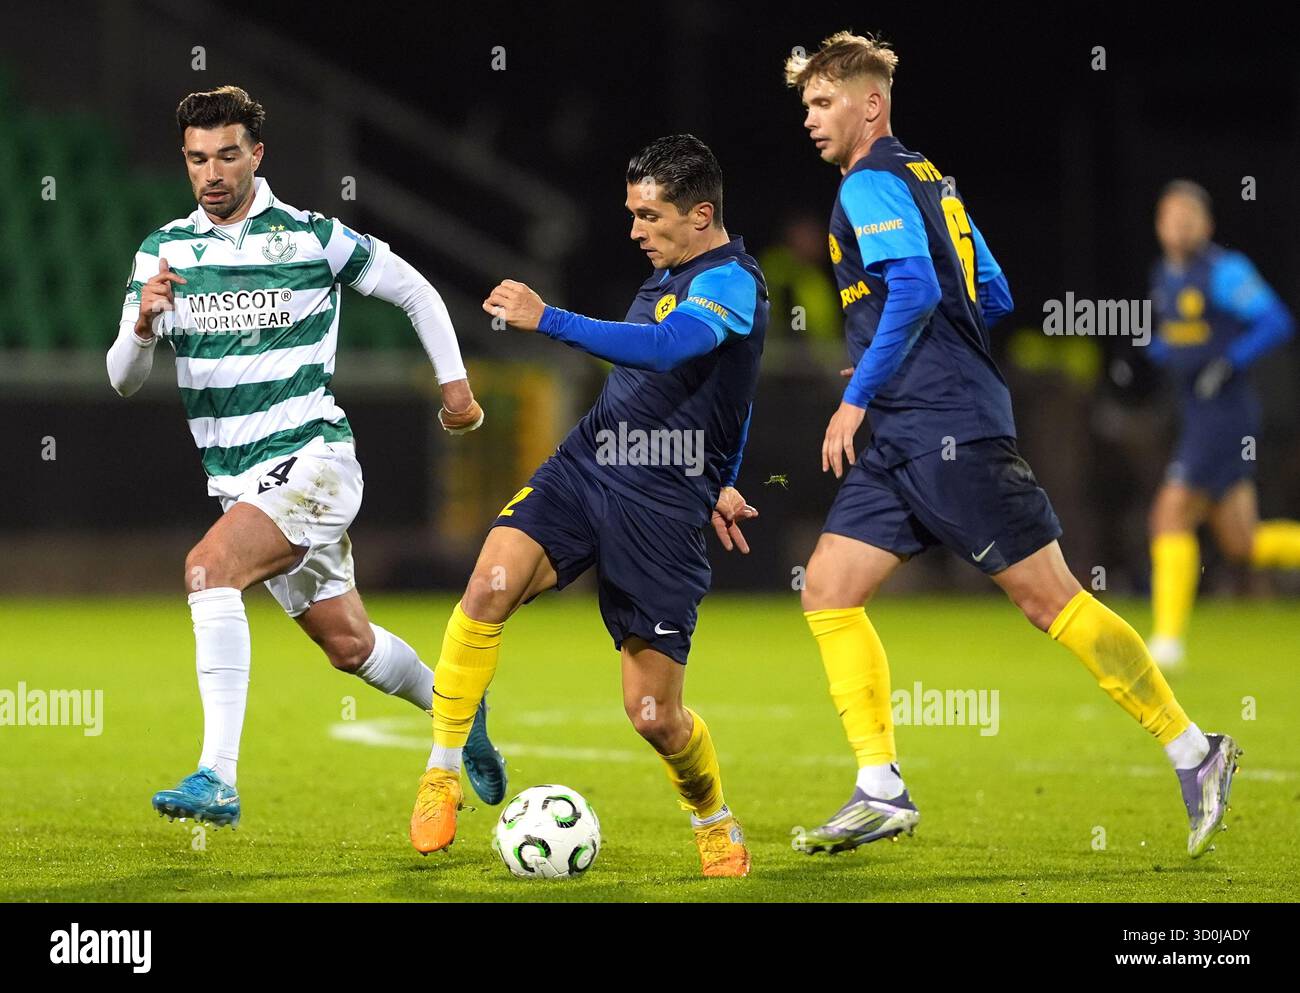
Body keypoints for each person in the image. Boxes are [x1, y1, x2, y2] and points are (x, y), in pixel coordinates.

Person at [784, 33, 1240, 858]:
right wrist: (914, 365)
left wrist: (860, 391)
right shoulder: (935, 182)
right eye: (807, 104)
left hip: (939, 424)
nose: (810, 119)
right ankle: (881, 786)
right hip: (908, 428)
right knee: (827, 587)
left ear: (870, 103)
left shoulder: (870, 183)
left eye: (823, 102)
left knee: (1050, 599)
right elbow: (990, 288)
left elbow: (918, 287)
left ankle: (1195, 749)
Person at [107, 85, 506, 829]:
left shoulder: (311, 237)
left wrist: (456, 389)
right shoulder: (163, 251)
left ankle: (216, 775)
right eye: (197, 159)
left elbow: (416, 290)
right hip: (240, 482)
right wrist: (141, 325)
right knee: (349, 645)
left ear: (257, 154)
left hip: (314, 461)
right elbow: (121, 379)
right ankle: (461, 701)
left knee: (208, 568)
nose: (213, 173)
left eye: (228, 155)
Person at [408, 135, 766, 877]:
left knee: (653, 716)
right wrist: (726, 475)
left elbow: (672, 352)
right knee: (489, 584)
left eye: (649, 214)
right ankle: (441, 773)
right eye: (632, 212)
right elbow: (726, 392)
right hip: (589, 465)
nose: (635, 230)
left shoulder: (732, 283)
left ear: (701, 214)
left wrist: (551, 318)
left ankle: (713, 817)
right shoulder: (670, 267)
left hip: (663, 510)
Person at [1145, 179, 1297, 669]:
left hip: (1225, 417)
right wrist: (1152, 353)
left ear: (1206, 226)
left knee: (1169, 516)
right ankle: (1168, 639)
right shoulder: (1164, 275)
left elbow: (1276, 320)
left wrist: (1230, 362)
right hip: (1198, 415)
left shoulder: (1225, 270)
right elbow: (1180, 340)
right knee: (1243, 543)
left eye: (1188, 219)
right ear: (1159, 225)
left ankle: (1167, 641)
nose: (1179, 227)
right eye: (1170, 219)